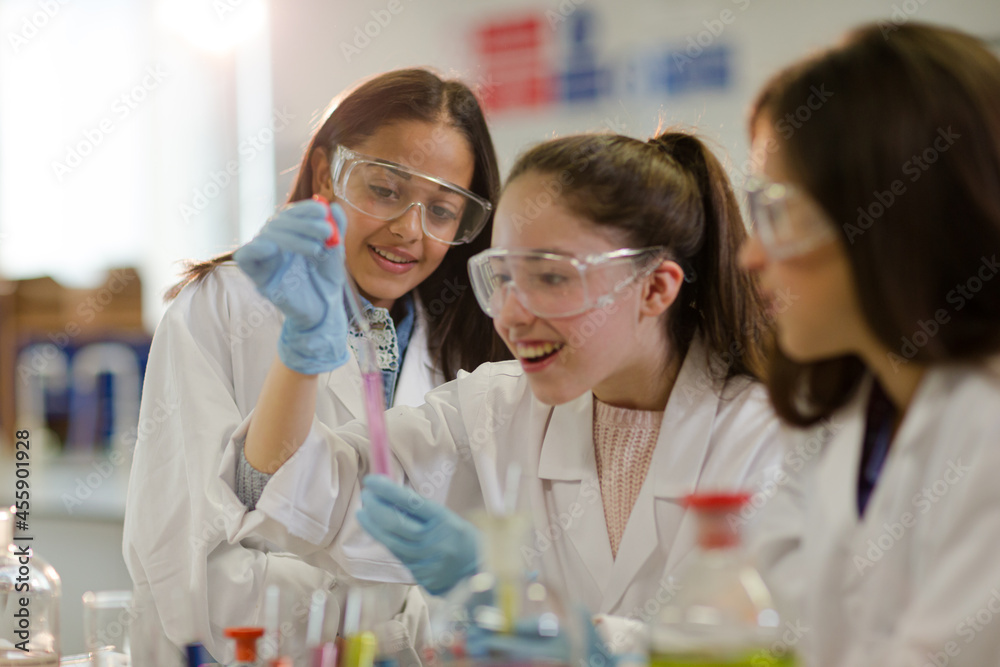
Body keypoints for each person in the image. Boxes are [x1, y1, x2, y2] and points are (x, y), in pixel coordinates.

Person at [230, 129, 787, 655]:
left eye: (550, 277)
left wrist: (568, 635)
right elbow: (285, 488)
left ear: (655, 287)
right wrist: (300, 348)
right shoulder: (496, 407)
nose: (512, 316)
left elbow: (777, 649)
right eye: (504, 277)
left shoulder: (770, 437)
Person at [122, 68, 511, 664]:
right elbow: (186, 556)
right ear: (330, 172)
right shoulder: (229, 305)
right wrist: (389, 617)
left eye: (442, 210)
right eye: (385, 189)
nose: (409, 229)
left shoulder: (469, 345)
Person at [739, 22, 1000, 666]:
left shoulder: (986, 422)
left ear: (892, 212)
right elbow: (770, 632)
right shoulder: (853, 408)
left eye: (779, 211)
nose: (749, 255)